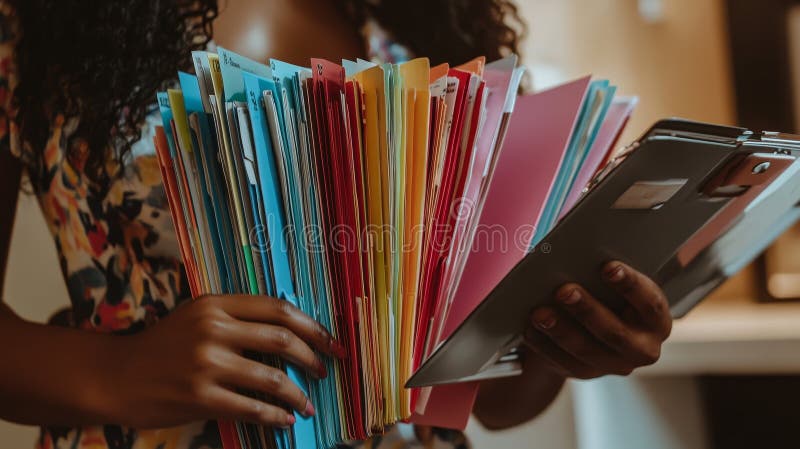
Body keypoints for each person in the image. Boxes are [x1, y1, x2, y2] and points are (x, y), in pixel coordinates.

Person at [0, 1, 673, 448]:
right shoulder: (41, 23)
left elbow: (492, 401)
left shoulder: (427, 25)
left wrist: (568, 337)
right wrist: (119, 370)